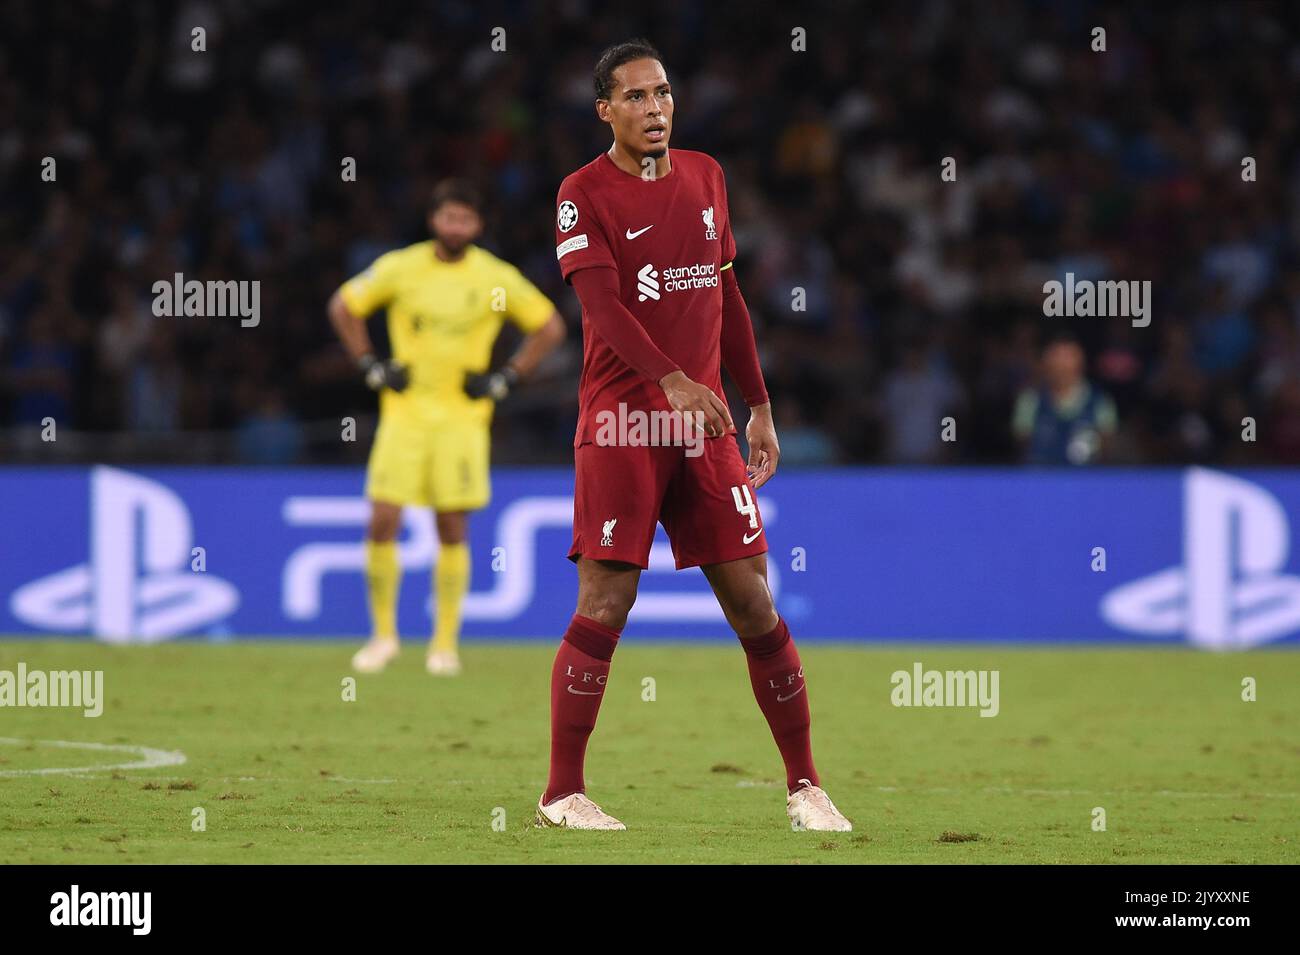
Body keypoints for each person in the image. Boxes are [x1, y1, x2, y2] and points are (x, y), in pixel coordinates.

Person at [537, 40, 851, 831]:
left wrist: (760, 403)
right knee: (607, 600)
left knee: (753, 600)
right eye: (636, 97)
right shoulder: (582, 193)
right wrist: (671, 379)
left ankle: (806, 786)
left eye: (664, 94)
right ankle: (562, 793)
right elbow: (603, 309)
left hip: (706, 425)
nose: (655, 109)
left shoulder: (708, 176)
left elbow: (726, 293)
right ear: (604, 110)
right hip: (623, 423)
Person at [328, 179, 565, 675]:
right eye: (448, 217)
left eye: (466, 219)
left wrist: (507, 377)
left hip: (462, 418)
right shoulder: (401, 267)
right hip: (404, 414)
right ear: (433, 220)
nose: (456, 226)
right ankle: (384, 637)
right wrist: (369, 364)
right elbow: (344, 305)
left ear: (478, 226)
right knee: (382, 519)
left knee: (451, 528)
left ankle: (443, 644)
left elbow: (548, 326)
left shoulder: (495, 278)